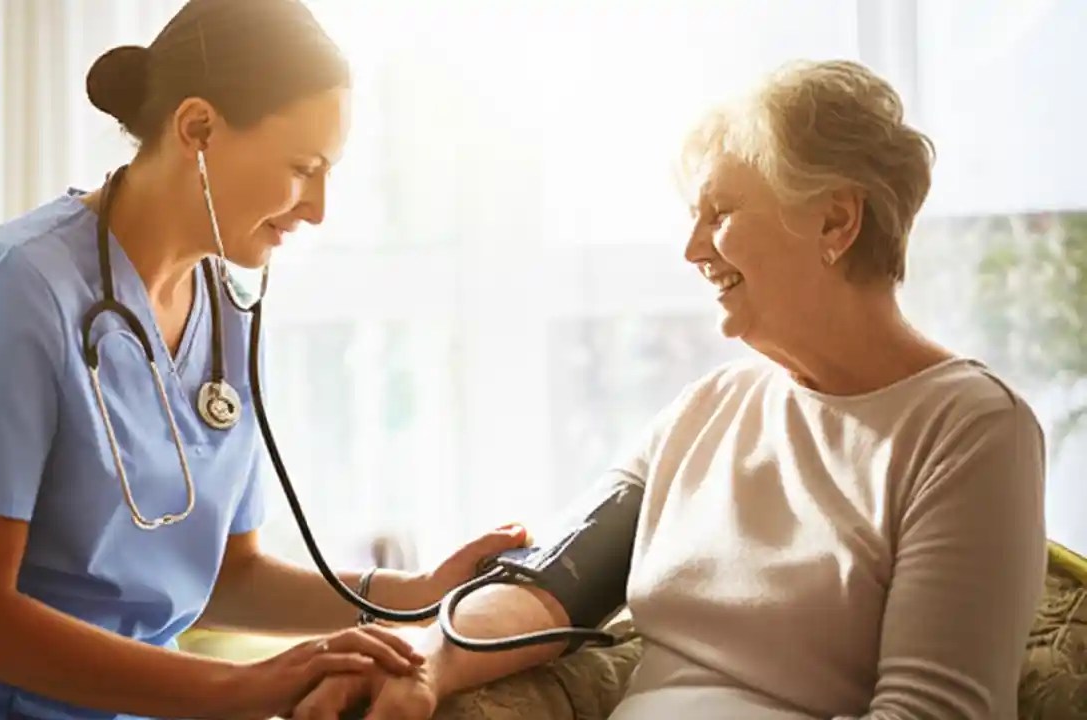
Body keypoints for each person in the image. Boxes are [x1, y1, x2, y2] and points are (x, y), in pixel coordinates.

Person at [0, 1, 529, 718]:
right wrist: (243, 689)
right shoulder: (14, 291)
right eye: (303, 168)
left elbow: (223, 576)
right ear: (198, 129)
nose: (317, 209)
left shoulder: (225, 313)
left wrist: (411, 591)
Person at [293, 59, 1049, 720]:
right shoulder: (710, 408)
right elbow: (551, 584)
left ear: (836, 220)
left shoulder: (968, 428)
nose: (692, 250)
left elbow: (938, 714)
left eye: (719, 214)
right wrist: (427, 659)